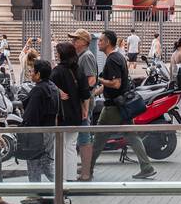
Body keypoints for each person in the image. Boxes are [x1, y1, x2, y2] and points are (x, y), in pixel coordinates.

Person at [82, 29, 156, 180]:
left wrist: (98, 79)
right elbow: (110, 84)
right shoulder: (118, 57)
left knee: (98, 139)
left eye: (101, 41)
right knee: (132, 136)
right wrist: (93, 93)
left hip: (113, 108)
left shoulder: (112, 59)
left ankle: (87, 170)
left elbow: (115, 84)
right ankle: (147, 166)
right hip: (121, 106)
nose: (99, 43)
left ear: (108, 42)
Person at [19, 58, 60, 196]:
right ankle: (60, 188)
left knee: (34, 163)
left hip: (37, 132)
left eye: (32, 71)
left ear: (38, 74)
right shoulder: (53, 87)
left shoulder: (38, 90)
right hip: (49, 130)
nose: (31, 73)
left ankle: (36, 193)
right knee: (46, 162)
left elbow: (30, 114)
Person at [52, 42, 86, 180]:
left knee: (58, 146)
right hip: (76, 113)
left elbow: (48, 87)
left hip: (60, 115)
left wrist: (58, 91)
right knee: (71, 146)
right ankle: (71, 178)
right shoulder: (78, 70)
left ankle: (60, 178)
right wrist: (85, 109)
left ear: (61, 55)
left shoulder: (57, 71)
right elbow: (85, 94)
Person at [70, 27, 98, 181]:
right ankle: (86, 167)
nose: (73, 41)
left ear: (84, 42)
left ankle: (86, 172)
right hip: (83, 101)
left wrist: (82, 99)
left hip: (84, 102)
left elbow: (91, 79)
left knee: (84, 137)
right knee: (84, 136)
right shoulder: (81, 56)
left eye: (76, 39)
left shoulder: (86, 56)